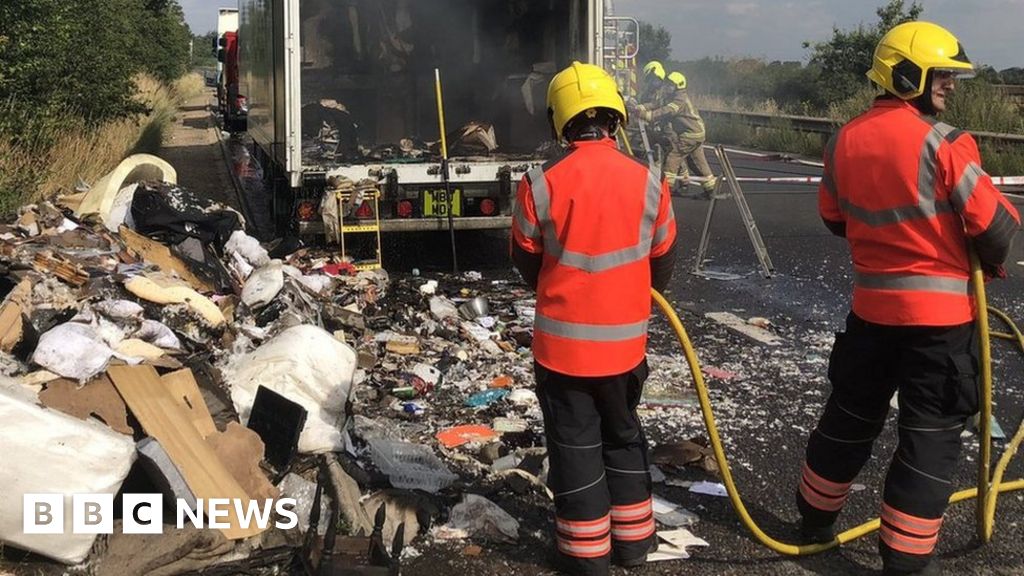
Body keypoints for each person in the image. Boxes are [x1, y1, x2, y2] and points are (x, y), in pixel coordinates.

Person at [795, 21, 1020, 576]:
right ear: (905, 76)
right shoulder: (945, 142)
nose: (950, 84)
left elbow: (834, 218)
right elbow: (995, 228)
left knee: (849, 415)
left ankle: (814, 518)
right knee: (930, 436)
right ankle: (905, 559)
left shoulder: (843, 141)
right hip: (941, 324)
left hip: (870, 315)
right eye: (941, 74)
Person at [510, 61, 677, 575]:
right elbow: (663, 260)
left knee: (576, 447)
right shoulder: (650, 181)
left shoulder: (540, 184)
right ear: (615, 116)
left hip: (563, 354)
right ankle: (634, 543)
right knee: (624, 437)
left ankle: (587, 557)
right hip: (626, 350)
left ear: (559, 118)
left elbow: (526, 259)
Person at [633, 66, 719, 198]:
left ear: (678, 86)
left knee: (673, 157)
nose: (668, 87)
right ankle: (711, 190)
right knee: (697, 162)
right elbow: (657, 104)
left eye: (670, 85)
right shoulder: (672, 96)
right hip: (696, 133)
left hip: (690, 134)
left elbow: (668, 110)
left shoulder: (680, 99)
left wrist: (648, 115)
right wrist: (641, 107)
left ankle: (666, 190)